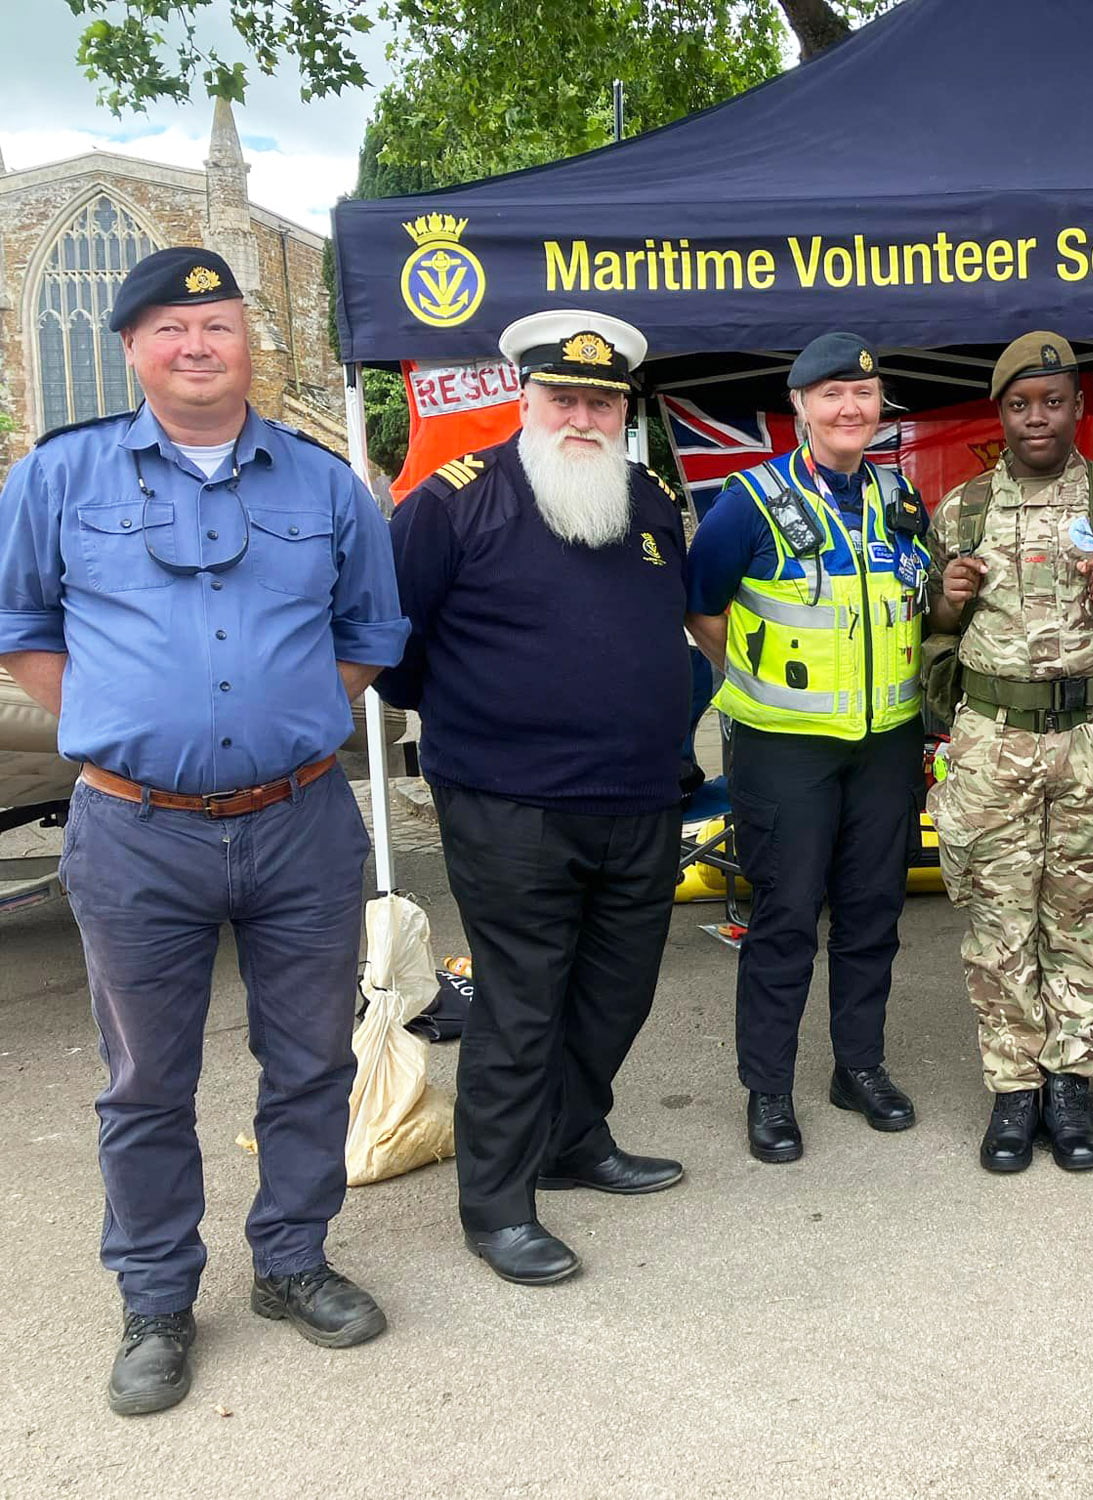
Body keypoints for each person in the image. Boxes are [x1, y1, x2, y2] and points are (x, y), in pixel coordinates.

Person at [0, 248, 409, 1414]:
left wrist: (285, 720)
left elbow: (369, 630)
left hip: (299, 824)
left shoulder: (328, 487)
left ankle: (291, 1261)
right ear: (132, 347)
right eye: (171, 329)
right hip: (135, 833)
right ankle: (156, 1297)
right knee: (144, 1081)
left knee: (312, 1061)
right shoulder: (57, 476)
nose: (196, 345)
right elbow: (19, 616)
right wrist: (109, 720)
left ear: (248, 344)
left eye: (219, 325)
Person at [375, 311, 690, 1287]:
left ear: (622, 409)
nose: (583, 417)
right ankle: (498, 1202)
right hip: (509, 803)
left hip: (637, 794)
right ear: (526, 398)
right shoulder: (452, 503)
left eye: (602, 401)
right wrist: (492, 721)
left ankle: (571, 1139)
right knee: (522, 1000)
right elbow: (396, 656)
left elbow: (657, 626)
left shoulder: (644, 500)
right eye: (565, 398)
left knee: (616, 989)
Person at [685, 332, 932, 1164]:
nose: (849, 409)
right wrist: (753, 680)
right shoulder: (748, 503)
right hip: (784, 751)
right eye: (830, 395)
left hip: (885, 747)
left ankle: (858, 1068)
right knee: (785, 921)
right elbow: (704, 607)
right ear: (798, 407)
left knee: (872, 917)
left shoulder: (901, 498)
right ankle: (769, 1090)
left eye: (863, 395)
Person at [924, 331, 1093, 1173]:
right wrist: (947, 605)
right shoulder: (961, 510)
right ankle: (1013, 1092)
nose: (1037, 418)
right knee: (997, 921)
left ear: (1076, 407)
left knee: (1090, 921)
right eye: (1020, 404)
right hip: (992, 741)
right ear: (1000, 413)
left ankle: (1071, 1084)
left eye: (1053, 401)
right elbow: (934, 638)